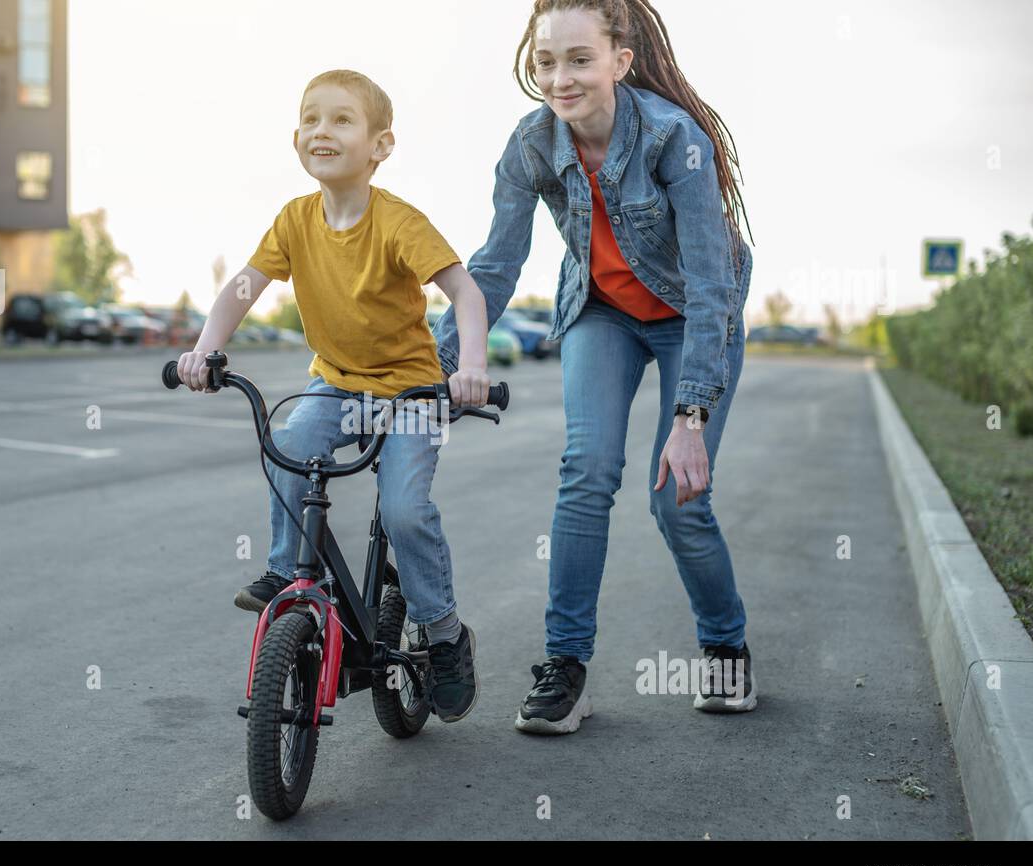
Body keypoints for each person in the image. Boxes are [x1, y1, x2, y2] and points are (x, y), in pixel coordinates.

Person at [433, 0, 757, 734]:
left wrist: (691, 417)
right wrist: (438, 361)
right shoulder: (531, 145)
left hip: (694, 317)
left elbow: (710, 287)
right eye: (546, 62)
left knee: (678, 498)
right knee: (587, 469)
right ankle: (566, 669)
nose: (560, 78)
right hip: (602, 312)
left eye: (579, 59)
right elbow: (494, 266)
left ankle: (726, 648)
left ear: (620, 60)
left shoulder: (677, 141)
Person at [175, 70, 492, 722]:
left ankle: (444, 635)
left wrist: (474, 367)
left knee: (404, 512)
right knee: (290, 443)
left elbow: (465, 292)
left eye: (341, 120)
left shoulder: (399, 222)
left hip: (414, 394)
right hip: (337, 385)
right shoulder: (294, 220)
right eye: (311, 119)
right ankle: (287, 574)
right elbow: (243, 286)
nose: (322, 130)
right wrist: (204, 350)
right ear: (296, 138)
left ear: (381, 145)